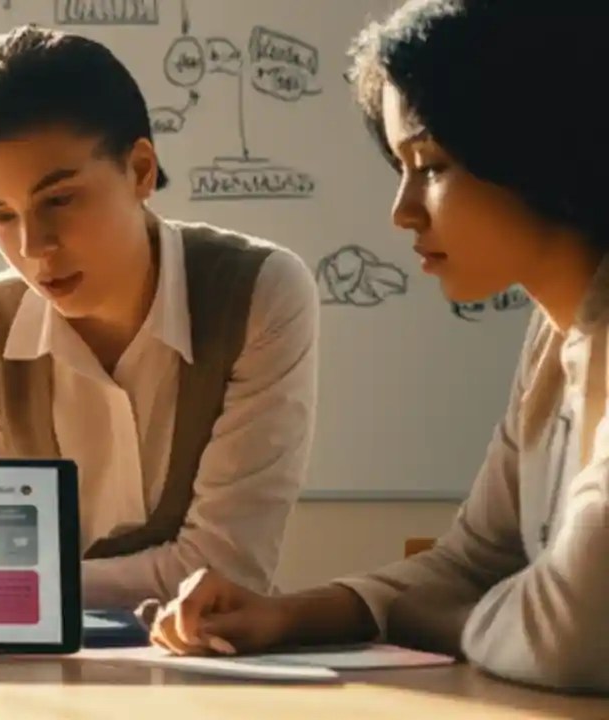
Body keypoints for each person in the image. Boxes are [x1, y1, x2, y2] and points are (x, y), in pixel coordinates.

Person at [143, 0, 609, 693]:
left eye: (433, 165)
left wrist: (436, 620)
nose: (402, 210)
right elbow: (475, 561)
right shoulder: (554, 332)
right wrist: (289, 616)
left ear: (535, 144)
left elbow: (572, 634)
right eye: (401, 165)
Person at [0, 25, 319, 610]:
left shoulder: (258, 294)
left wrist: (18, 585)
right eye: (0, 216)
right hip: (19, 675)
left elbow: (225, 570)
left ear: (140, 171)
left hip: (202, 669)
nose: (34, 246)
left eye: (59, 199)